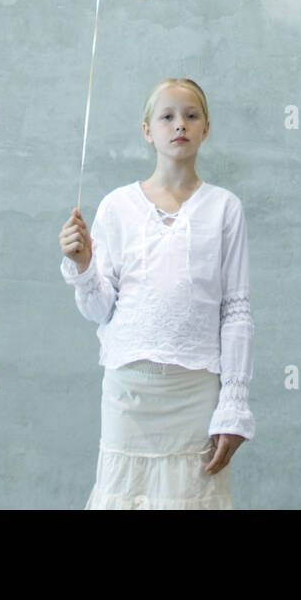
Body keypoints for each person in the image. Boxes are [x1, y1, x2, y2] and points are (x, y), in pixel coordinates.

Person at [59, 78, 254, 509]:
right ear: (148, 130)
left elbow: (236, 312)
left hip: (195, 393)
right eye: (166, 116)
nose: (179, 125)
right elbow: (99, 309)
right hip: (130, 392)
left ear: (206, 127)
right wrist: (83, 264)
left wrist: (234, 406)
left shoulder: (225, 208)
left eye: (190, 115)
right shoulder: (117, 207)